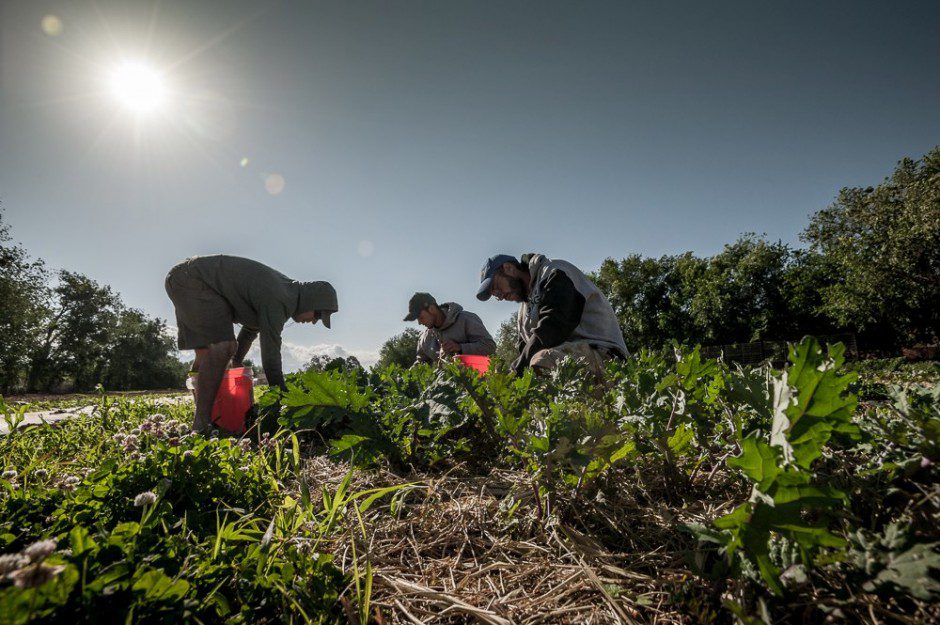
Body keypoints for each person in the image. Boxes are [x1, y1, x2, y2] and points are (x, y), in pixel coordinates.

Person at [165, 254, 338, 432]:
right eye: (318, 315)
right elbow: (270, 357)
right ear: (311, 300)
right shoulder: (281, 299)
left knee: (206, 354)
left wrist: (237, 360)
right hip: (194, 280)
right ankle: (201, 425)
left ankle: (206, 418)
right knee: (223, 347)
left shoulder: (284, 292)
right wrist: (285, 401)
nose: (314, 321)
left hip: (184, 277)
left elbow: (250, 330)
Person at [476, 253, 627, 375]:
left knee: (542, 361)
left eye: (497, 287)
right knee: (526, 378)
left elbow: (554, 326)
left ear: (509, 268)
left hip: (605, 356)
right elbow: (525, 351)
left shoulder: (553, 272)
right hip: (568, 358)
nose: (500, 296)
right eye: (496, 295)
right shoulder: (523, 313)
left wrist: (516, 370)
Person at [404, 292, 496, 364]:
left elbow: (489, 346)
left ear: (431, 309)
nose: (419, 323)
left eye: (421, 317)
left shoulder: (466, 319)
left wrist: (460, 348)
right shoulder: (424, 339)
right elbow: (420, 364)